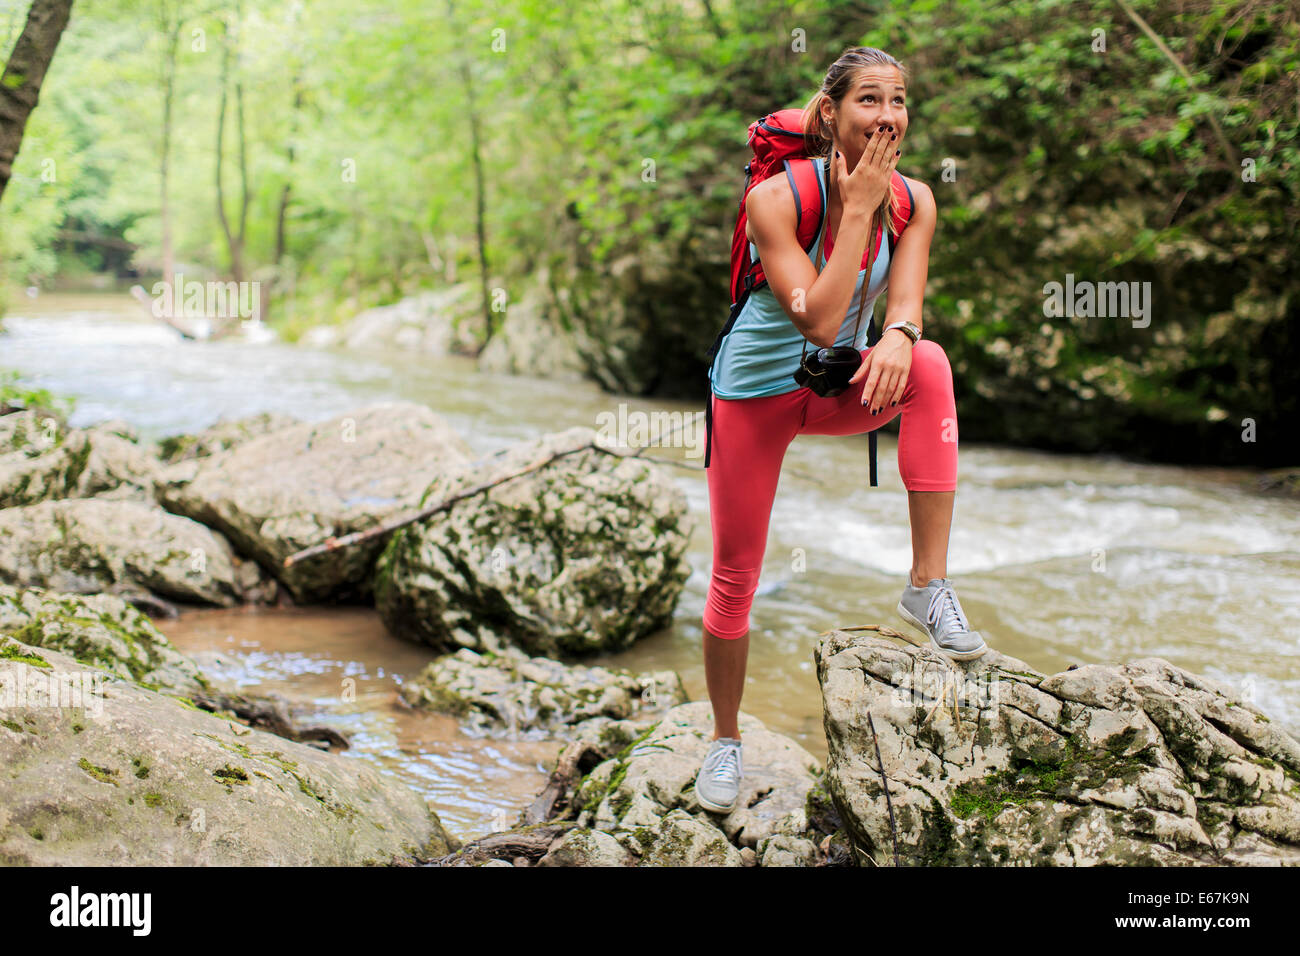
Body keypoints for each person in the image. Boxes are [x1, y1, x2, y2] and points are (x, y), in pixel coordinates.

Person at [695, 46, 988, 815]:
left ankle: (927, 587)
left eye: (898, 101)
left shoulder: (915, 199)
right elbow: (820, 317)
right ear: (829, 113)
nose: (887, 116)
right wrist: (855, 206)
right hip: (754, 396)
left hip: (835, 391)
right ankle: (725, 741)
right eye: (868, 100)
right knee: (734, 579)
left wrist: (899, 334)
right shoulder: (775, 201)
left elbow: (907, 303)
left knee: (929, 365)